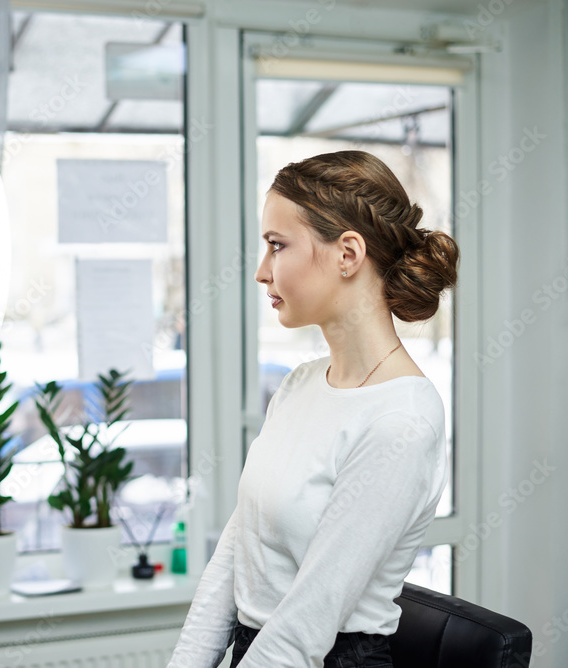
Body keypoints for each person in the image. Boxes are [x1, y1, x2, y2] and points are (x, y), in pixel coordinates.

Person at [168, 150, 459, 668]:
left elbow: (308, 621)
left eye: (277, 246)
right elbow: (236, 554)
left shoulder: (403, 420)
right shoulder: (301, 385)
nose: (262, 272)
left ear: (348, 254)